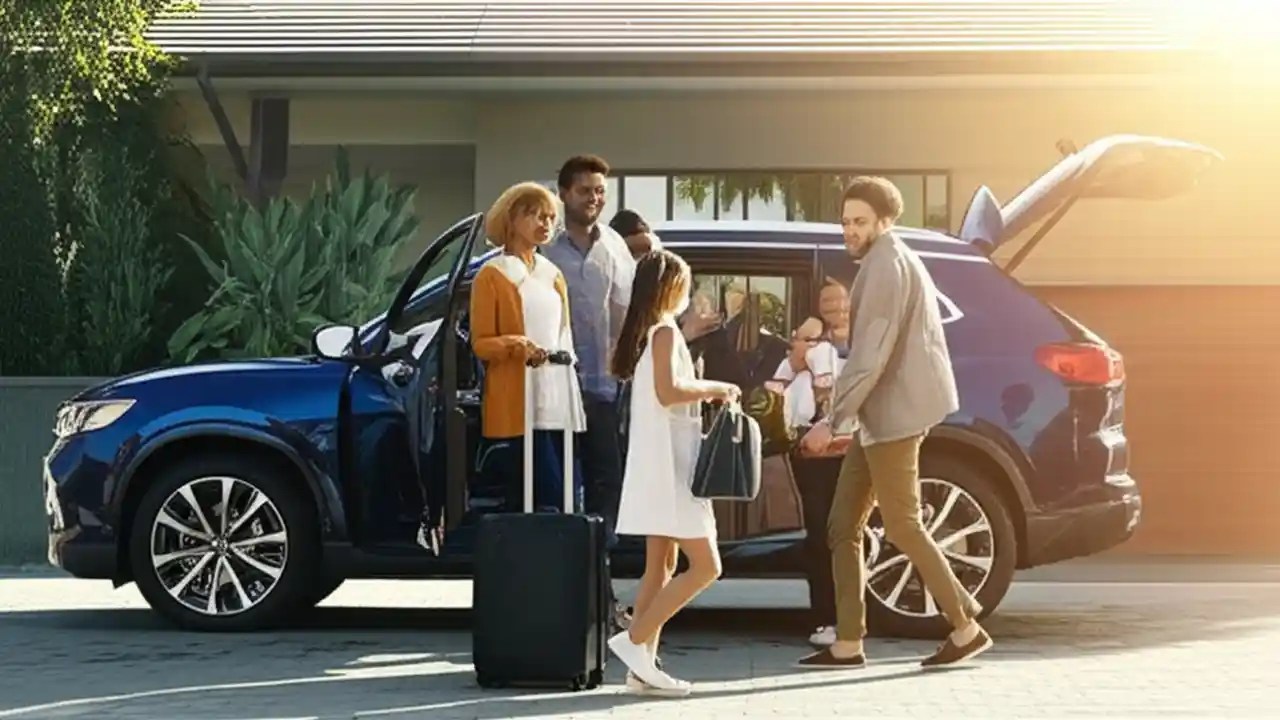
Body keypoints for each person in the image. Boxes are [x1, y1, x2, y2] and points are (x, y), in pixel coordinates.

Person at [795, 177, 990, 669]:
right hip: (878, 418)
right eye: (845, 221)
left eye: (860, 221)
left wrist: (831, 422)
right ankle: (848, 641)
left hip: (893, 417)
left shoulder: (885, 266)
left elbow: (869, 358)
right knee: (843, 526)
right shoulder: (888, 259)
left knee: (902, 525)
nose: (850, 230)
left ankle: (965, 625)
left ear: (885, 221)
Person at [606, 249, 739, 696]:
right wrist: (716, 387)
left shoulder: (654, 333)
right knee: (707, 566)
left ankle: (639, 668)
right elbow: (669, 391)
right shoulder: (663, 333)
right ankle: (634, 640)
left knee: (660, 567)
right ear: (671, 288)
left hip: (656, 463)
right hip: (671, 466)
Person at [540, 155, 636, 629]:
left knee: (605, 493)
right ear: (563, 193)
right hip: (550, 396)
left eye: (600, 191)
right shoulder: (543, 248)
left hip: (602, 393)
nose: (595, 199)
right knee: (556, 496)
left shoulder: (615, 247)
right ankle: (559, 601)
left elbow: (630, 315)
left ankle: (601, 597)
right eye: (585, 191)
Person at [469, 182, 586, 517]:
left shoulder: (553, 274)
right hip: (516, 396)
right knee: (535, 489)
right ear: (511, 219)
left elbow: (565, 337)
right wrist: (516, 345)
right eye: (534, 215)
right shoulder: (492, 275)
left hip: (556, 392)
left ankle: (564, 558)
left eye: (550, 217)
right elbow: (482, 343)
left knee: (563, 487)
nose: (544, 224)